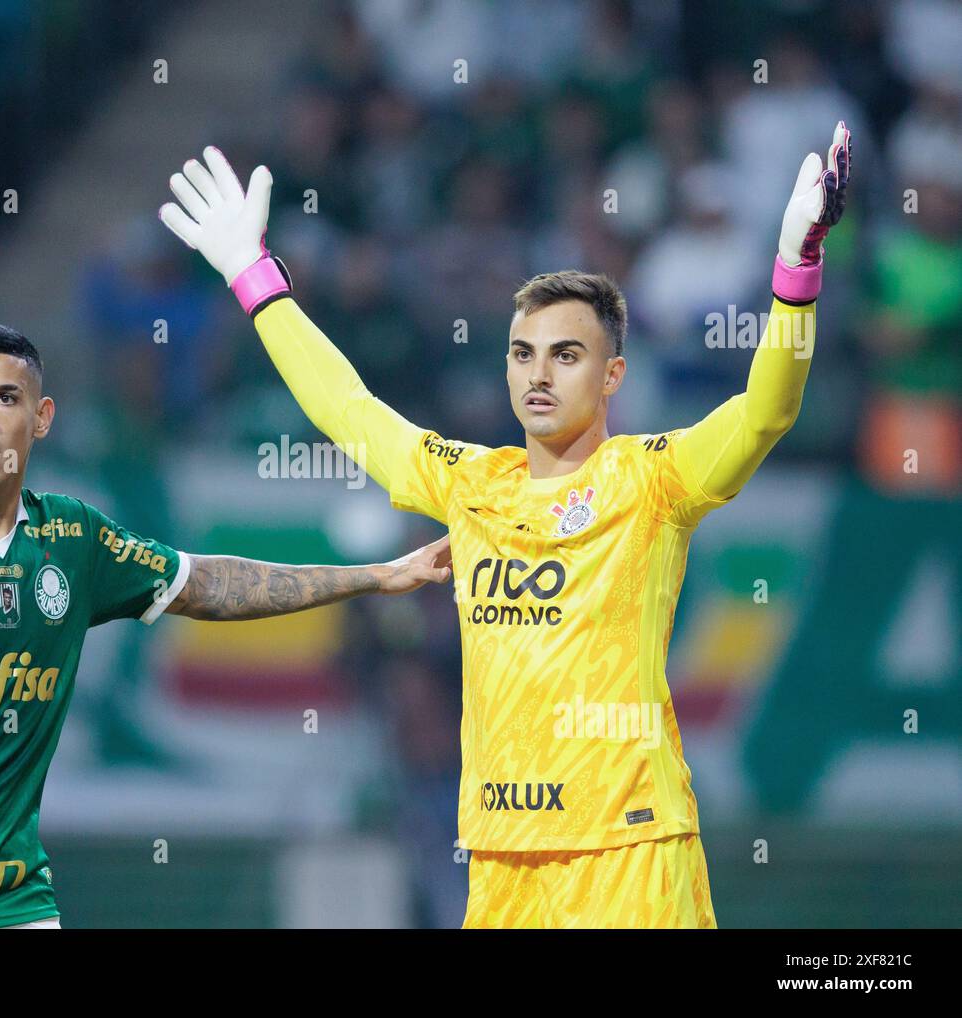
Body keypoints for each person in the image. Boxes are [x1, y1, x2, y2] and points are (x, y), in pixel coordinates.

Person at [159, 123, 850, 928]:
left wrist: (797, 271)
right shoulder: (468, 484)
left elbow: (767, 414)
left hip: (627, 854)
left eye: (566, 354)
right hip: (502, 860)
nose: (539, 374)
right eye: (523, 354)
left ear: (613, 374)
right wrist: (255, 278)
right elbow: (348, 411)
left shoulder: (654, 479)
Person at [0, 323, 453, 929]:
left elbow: (213, 585)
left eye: (4, 398)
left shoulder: (74, 541)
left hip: (6, 902)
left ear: (41, 418)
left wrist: (374, 577)